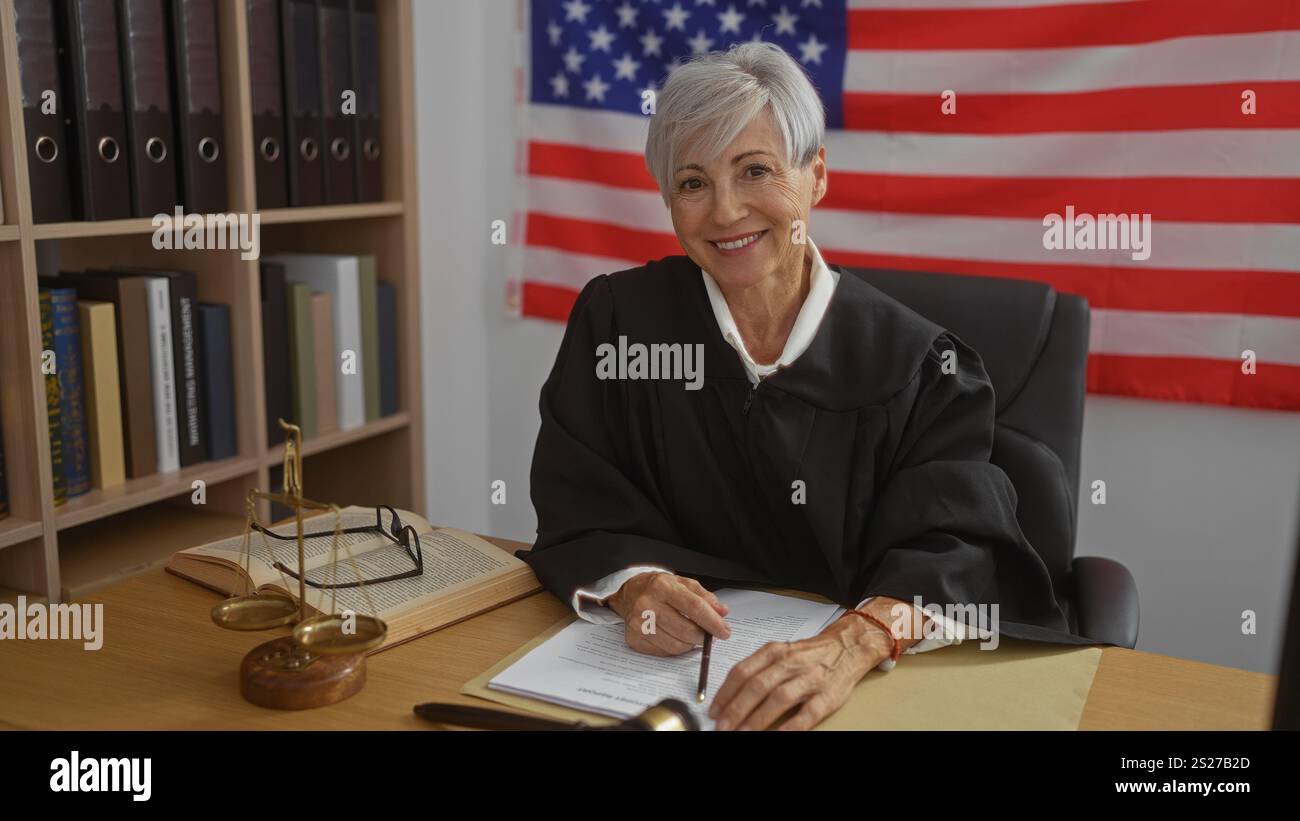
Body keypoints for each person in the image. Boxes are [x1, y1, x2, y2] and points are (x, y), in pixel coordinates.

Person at [523, 41, 1089, 731]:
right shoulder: (619, 325)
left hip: (866, 693)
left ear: (815, 175)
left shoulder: (919, 367)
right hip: (658, 687)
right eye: (693, 183)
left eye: (755, 170)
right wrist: (633, 583)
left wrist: (856, 642)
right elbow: (578, 500)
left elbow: (959, 549)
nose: (725, 211)